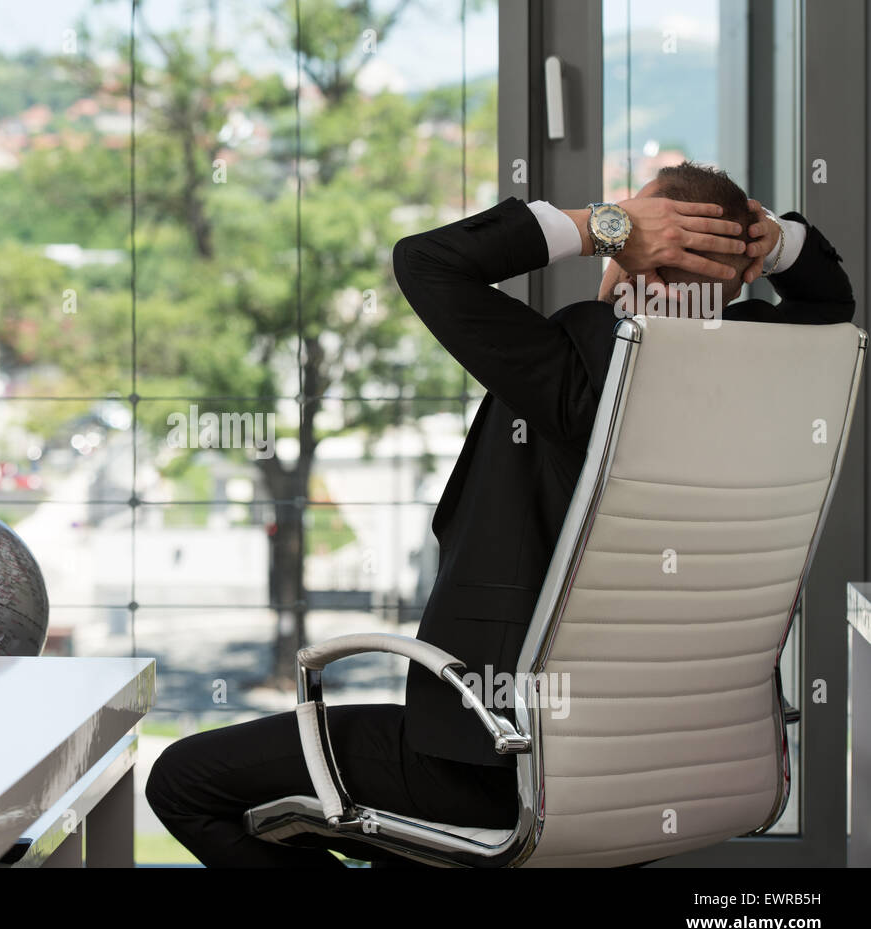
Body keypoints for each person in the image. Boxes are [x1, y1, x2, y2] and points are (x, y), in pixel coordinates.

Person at [145, 162, 855, 867]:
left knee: (183, 783)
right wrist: (778, 244)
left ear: (648, 254)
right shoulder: (768, 373)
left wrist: (599, 226)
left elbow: (424, 261)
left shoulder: (590, 359)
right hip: (651, 774)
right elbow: (831, 302)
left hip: (493, 763)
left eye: (633, 230)